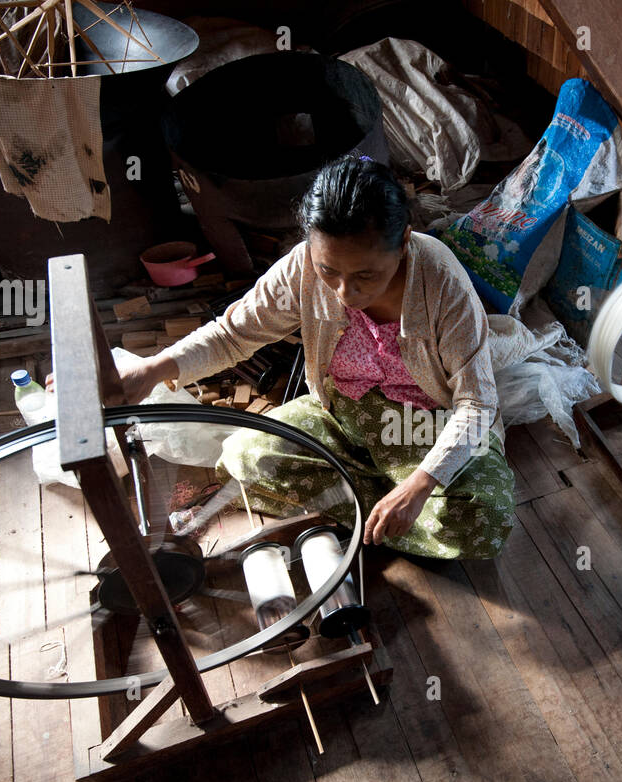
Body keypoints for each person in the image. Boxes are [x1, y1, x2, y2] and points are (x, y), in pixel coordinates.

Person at [123, 156, 515, 560]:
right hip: (343, 414)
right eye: (329, 270)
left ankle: (365, 497)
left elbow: (477, 403)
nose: (345, 291)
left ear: (403, 244)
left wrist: (420, 485)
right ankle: (377, 507)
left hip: (421, 424)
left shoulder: (441, 282)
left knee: (484, 521)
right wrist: (153, 369)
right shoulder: (302, 267)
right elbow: (231, 335)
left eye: (366, 275)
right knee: (243, 456)